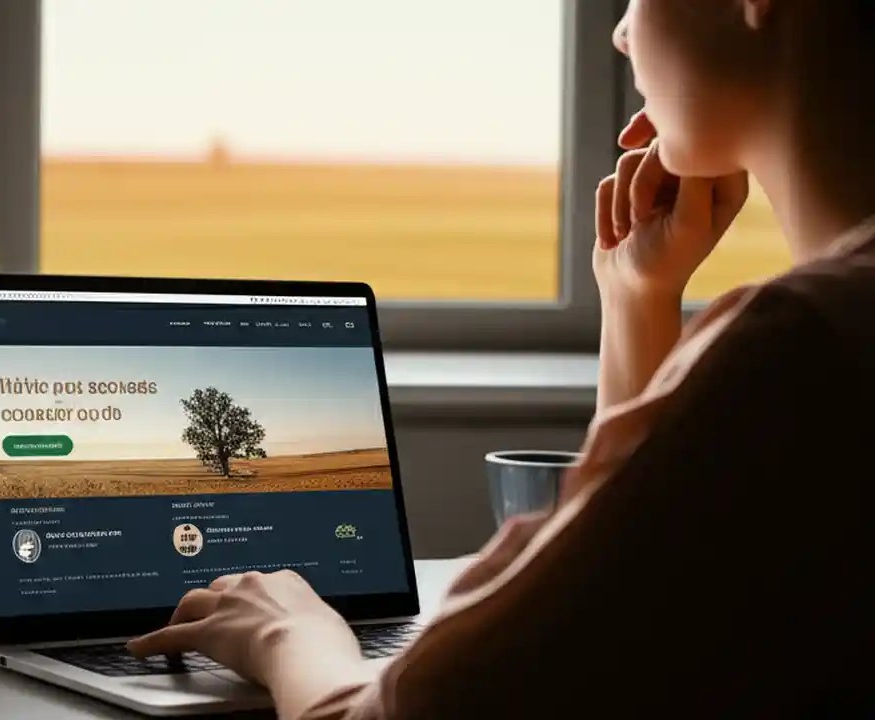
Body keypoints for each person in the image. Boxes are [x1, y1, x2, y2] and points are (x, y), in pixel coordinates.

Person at [129, 0, 875, 716]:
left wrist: (286, 632)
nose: (619, 33)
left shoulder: (798, 353)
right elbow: (626, 611)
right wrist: (636, 296)